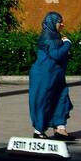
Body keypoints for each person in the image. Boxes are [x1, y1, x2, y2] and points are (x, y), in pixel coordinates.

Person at [29, 11, 73, 139]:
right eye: (60, 22)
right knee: (44, 101)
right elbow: (56, 54)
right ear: (52, 22)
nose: (62, 24)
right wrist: (67, 44)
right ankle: (39, 131)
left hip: (56, 75)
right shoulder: (47, 37)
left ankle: (60, 128)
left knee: (61, 98)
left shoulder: (55, 36)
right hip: (45, 76)